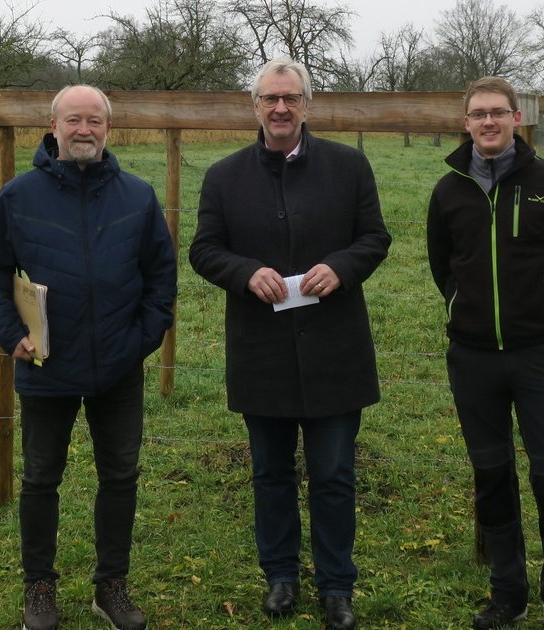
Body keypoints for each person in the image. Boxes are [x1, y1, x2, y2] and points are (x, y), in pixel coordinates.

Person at [188, 57, 390, 630]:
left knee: (334, 475)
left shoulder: (348, 166)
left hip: (334, 349)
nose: (281, 108)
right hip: (262, 351)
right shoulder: (224, 176)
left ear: (308, 104)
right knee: (271, 474)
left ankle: (336, 585)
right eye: (270, 98)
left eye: (291, 98)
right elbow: (204, 249)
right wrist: (246, 272)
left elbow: (375, 237)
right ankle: (280, 576)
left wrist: (342, 267)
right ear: (254, 106)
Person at [0, 84, 177, 630]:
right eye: (73, 120)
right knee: (41, 478)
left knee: (121, 476)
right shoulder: (19, 196)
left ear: (109, 128)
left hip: (119, 366)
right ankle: (39, 587)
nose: (84, 130)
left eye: (94, 120)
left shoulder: (137, 196)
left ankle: (111, 586)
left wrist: (140, 340)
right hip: (46, 364)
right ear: (54, 126)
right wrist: (9, 333)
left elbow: (161, 278)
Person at [426, 76, 544, 630]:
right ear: (466, 123)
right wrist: (466, 309)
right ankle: (508, 594)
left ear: (517, 119)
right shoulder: (448, 191)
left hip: (541, 356)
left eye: (498, 112)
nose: (489, 122)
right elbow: (442, 265)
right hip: (473, 360)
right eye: (478, 114)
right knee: (492, 476)